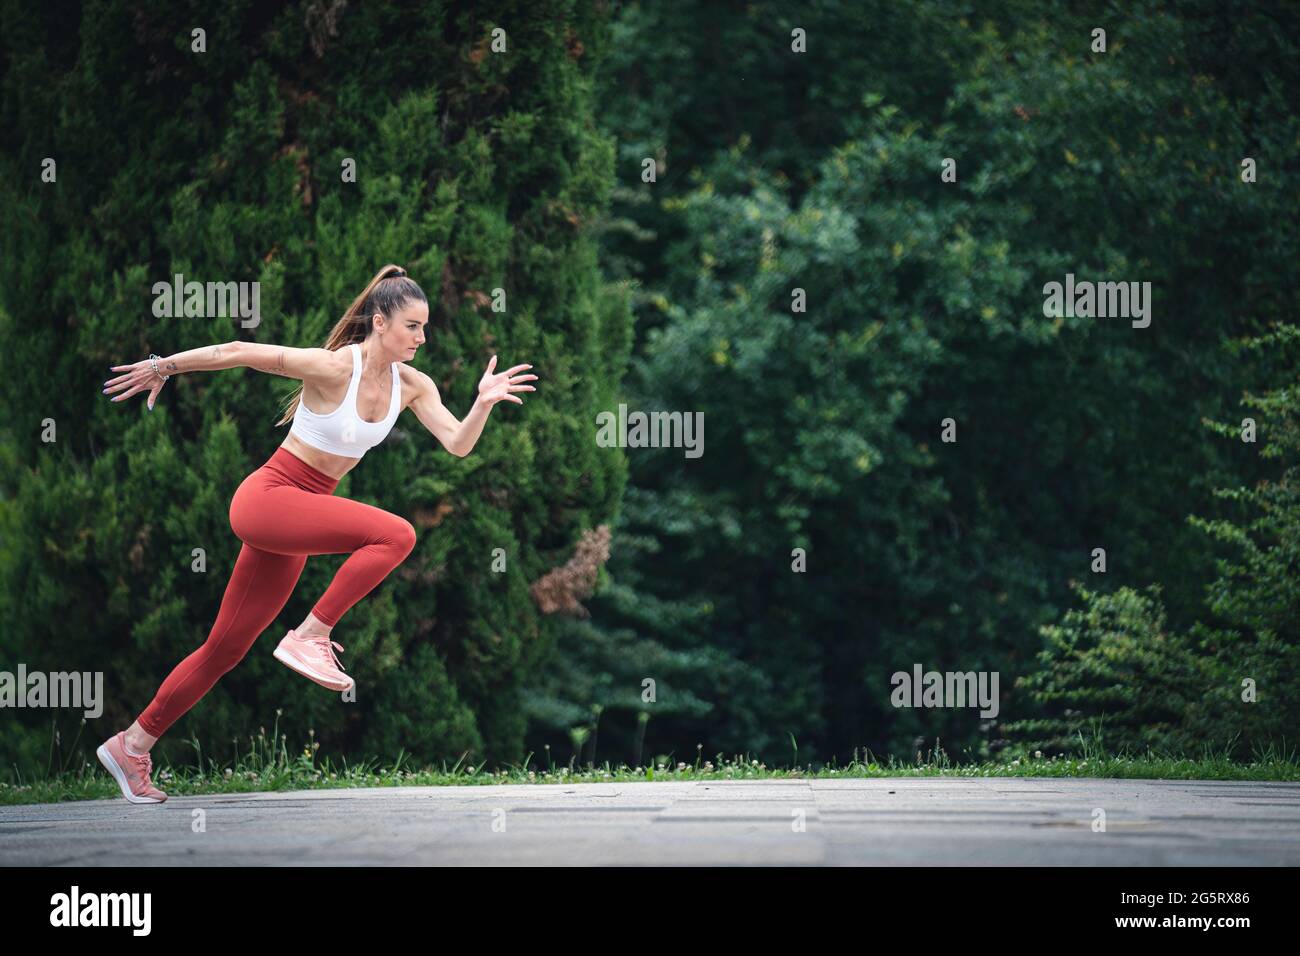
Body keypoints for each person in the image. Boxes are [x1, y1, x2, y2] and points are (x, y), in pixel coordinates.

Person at [94, 264, 537, 803]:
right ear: (380, 322)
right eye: (412, 326)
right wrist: (162, 366)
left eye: (424, 327)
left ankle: (131, 746)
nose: (422, 337)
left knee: (224, 649)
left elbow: (459, 444)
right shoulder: (332, 368)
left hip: (298, 517)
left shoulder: (413, 385)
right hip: (268, 499)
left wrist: (482, 404)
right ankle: (310, 635)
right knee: (396, 535)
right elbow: (238, 351)